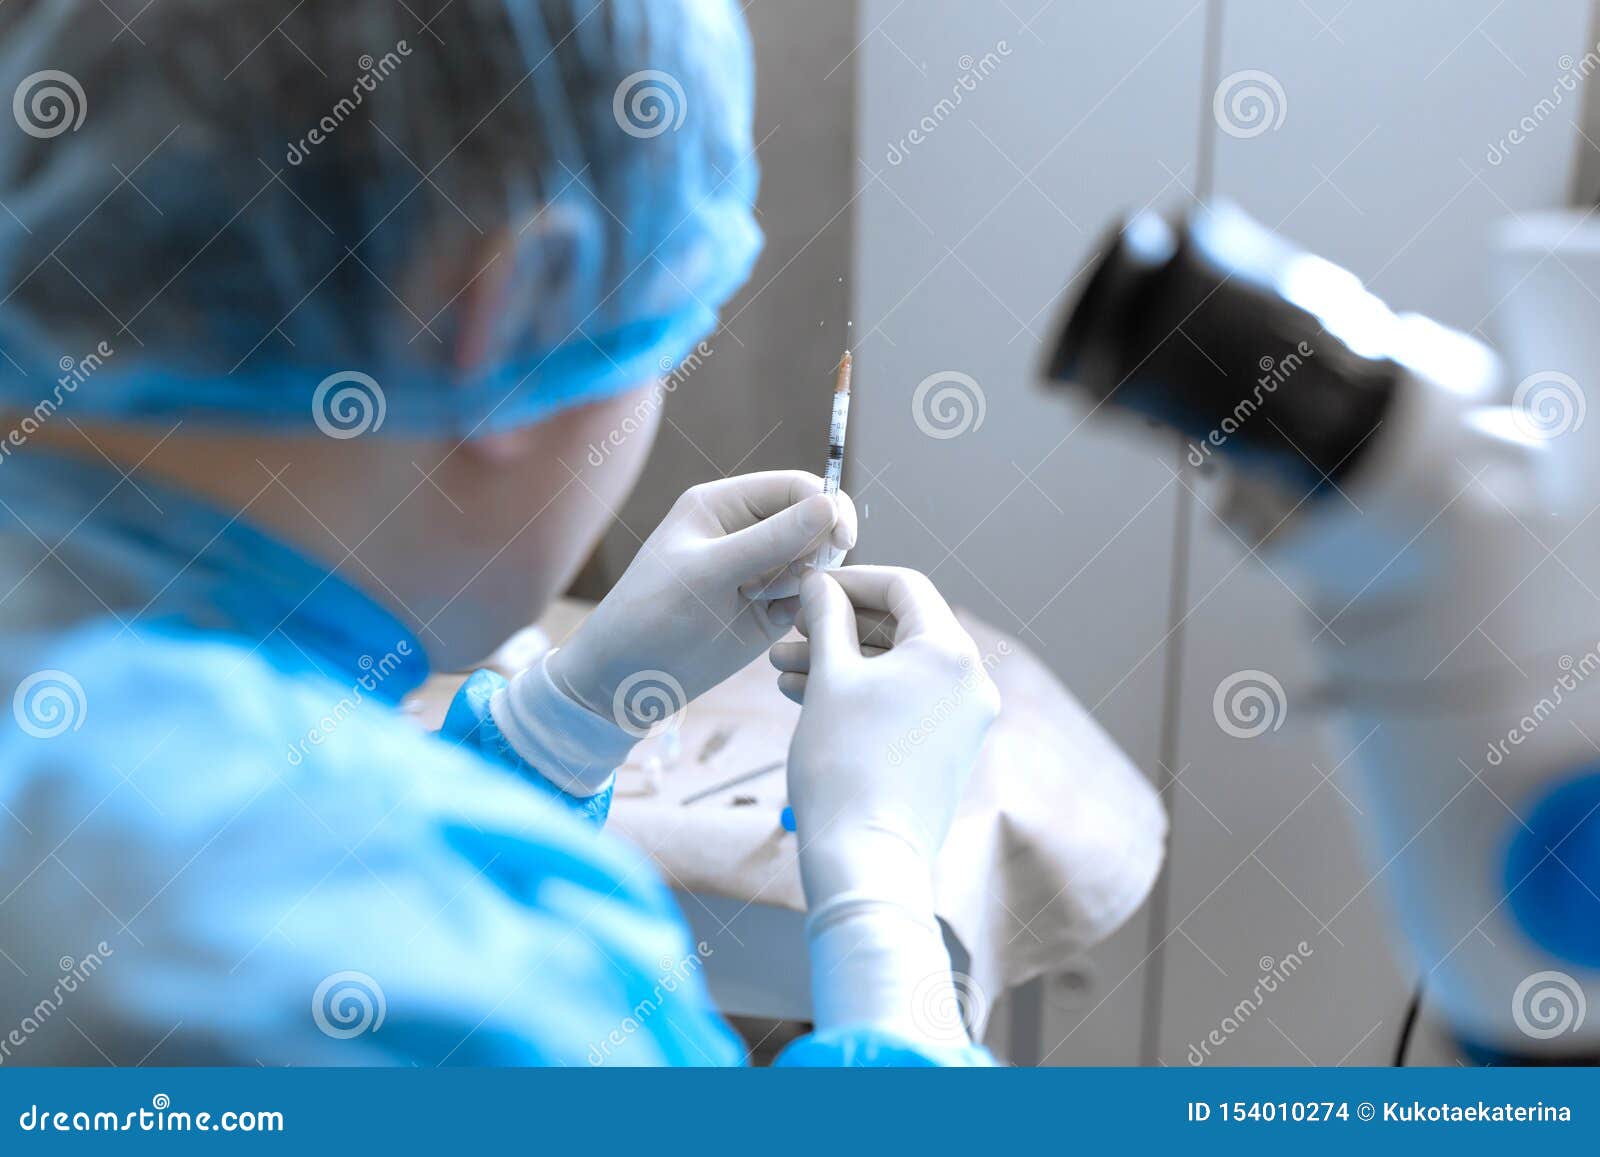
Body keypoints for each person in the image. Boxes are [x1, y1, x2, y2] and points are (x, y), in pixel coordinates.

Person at [0, 0, 999, 1065]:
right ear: (514, 310)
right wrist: (879, 889)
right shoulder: (490, 1005)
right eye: (659, 336)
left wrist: (564, 721)